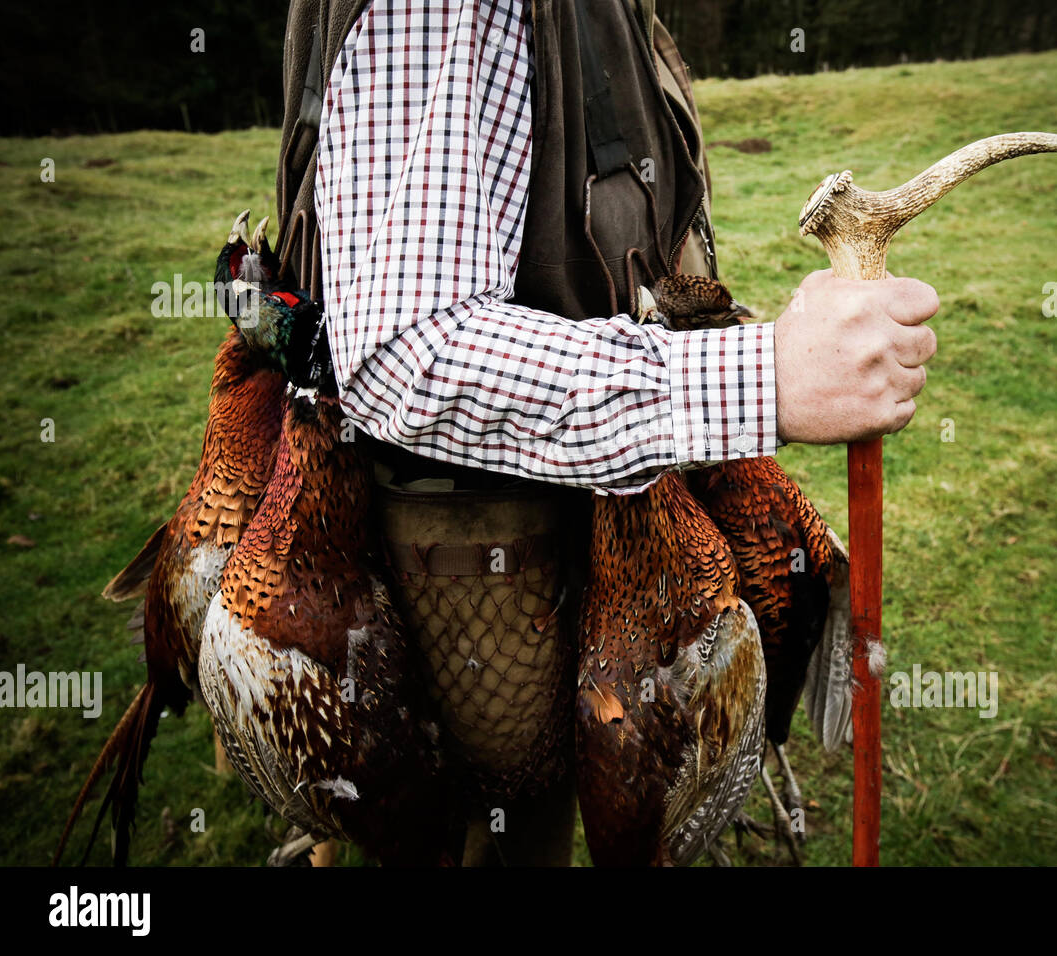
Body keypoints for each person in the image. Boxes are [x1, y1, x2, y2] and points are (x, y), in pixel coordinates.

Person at [274, 0, 937, 866]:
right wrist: (762, 377)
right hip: (469, 599)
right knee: (469, 835)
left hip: (568, 563)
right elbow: (405, 353)